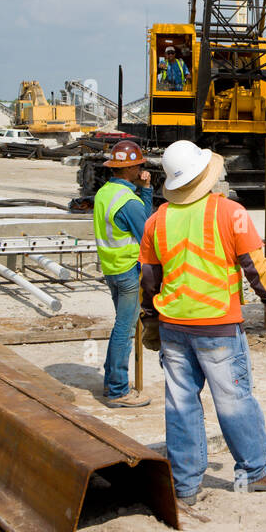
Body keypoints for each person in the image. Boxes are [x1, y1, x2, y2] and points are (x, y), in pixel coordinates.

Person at [139, 139, 266, 505]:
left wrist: (149, 320)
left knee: (181, 403)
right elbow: (255, 265)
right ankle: (254, 471)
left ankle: (185, 485)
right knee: (234, 400)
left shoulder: (156, 221)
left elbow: (149, 278)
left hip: (174, 327)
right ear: (208, 174)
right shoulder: (231, 212)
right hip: (218, 326)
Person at [92, 140, 153, 408]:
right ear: (130, 169)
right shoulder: (129, 201)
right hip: (128, 271)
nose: (141, 168)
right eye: (139, 165)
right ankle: (118, 390)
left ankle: (110, 381)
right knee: (124, 330)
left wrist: (144, 190)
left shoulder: (105, 193)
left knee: (121, 326)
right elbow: (147, 235)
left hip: (110, 269)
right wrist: (147, 191)